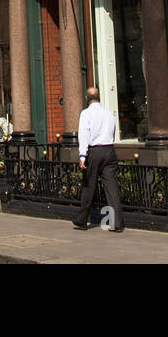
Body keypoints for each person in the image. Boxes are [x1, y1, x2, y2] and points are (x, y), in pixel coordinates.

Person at [72, 86, 124, 233]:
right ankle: (117, 223)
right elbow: (112, 131)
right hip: (109, 149)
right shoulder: (108, 113)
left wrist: (83, 155)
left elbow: (84, 135)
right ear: (98, 97)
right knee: (112, 187)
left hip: (94, 151)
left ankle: (82, 220)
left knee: (89, 185)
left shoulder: (86, 114)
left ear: (87, 98)